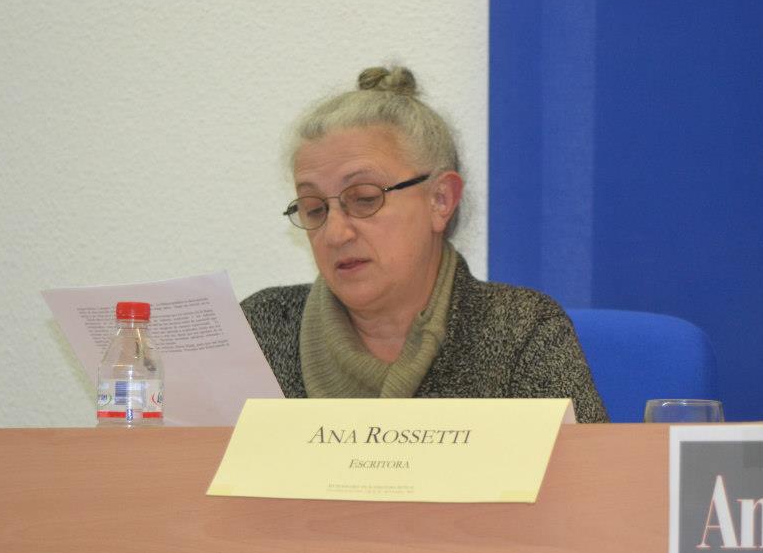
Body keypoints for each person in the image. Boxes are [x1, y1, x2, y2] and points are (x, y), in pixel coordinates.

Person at [242, 66, 609, 422]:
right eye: (314, 208)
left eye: (365, 198)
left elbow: (592, 479)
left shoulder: (521, 331)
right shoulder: (260, 330)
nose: (336, 233)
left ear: (440, 200)